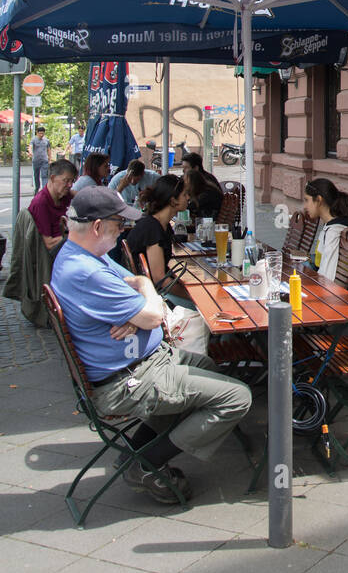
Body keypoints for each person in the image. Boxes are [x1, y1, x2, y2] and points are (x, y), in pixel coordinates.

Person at [50, 187, 251, 506]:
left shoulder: (84, 254)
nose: (123, 228)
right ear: (99, 227)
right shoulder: (84, 270)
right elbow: (154, 311)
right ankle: (145, 464)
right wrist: (144, 308)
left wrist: (142, 299)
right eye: (118, 222)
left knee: (209, 368)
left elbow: (141, 282)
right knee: (238, 397)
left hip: (145, 360)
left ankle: (135, 453)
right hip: (129, 379)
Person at [303, 178, 348, 288]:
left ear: (319, 200)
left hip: (337, 296)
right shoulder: (336, 225)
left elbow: (327, 278)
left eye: (307, 200)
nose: (305, 206)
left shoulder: (334, 232)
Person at [125, 173, 189, 290]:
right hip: (146, 293)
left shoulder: (161, 224)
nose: (188, 198)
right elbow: (160, 280)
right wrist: (191, 296)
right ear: (173, 200)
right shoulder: (152, 228)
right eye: (184, 194)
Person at [28, 158, 76, 255]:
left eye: (72, 181)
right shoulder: (41, 203)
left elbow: (81, 195)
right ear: (53, 178)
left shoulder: (63, 194)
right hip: (52, 256)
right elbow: (49, 243)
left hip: (65, 248)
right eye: (66, 180)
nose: (70, 185)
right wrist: (77, 238)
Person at [29, 125, 51, 191]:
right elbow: (30, 146)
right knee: (36, 175)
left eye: (42, 133)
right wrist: (30, 152)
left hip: (44, 160)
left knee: (44, 175)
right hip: (36, 160)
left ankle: (44, 189)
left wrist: (49, 158)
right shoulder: (34, 140)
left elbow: (49, 150)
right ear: (37, 133)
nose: (41, 135)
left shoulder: (46, 140)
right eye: (40, 133)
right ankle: (37, 188)